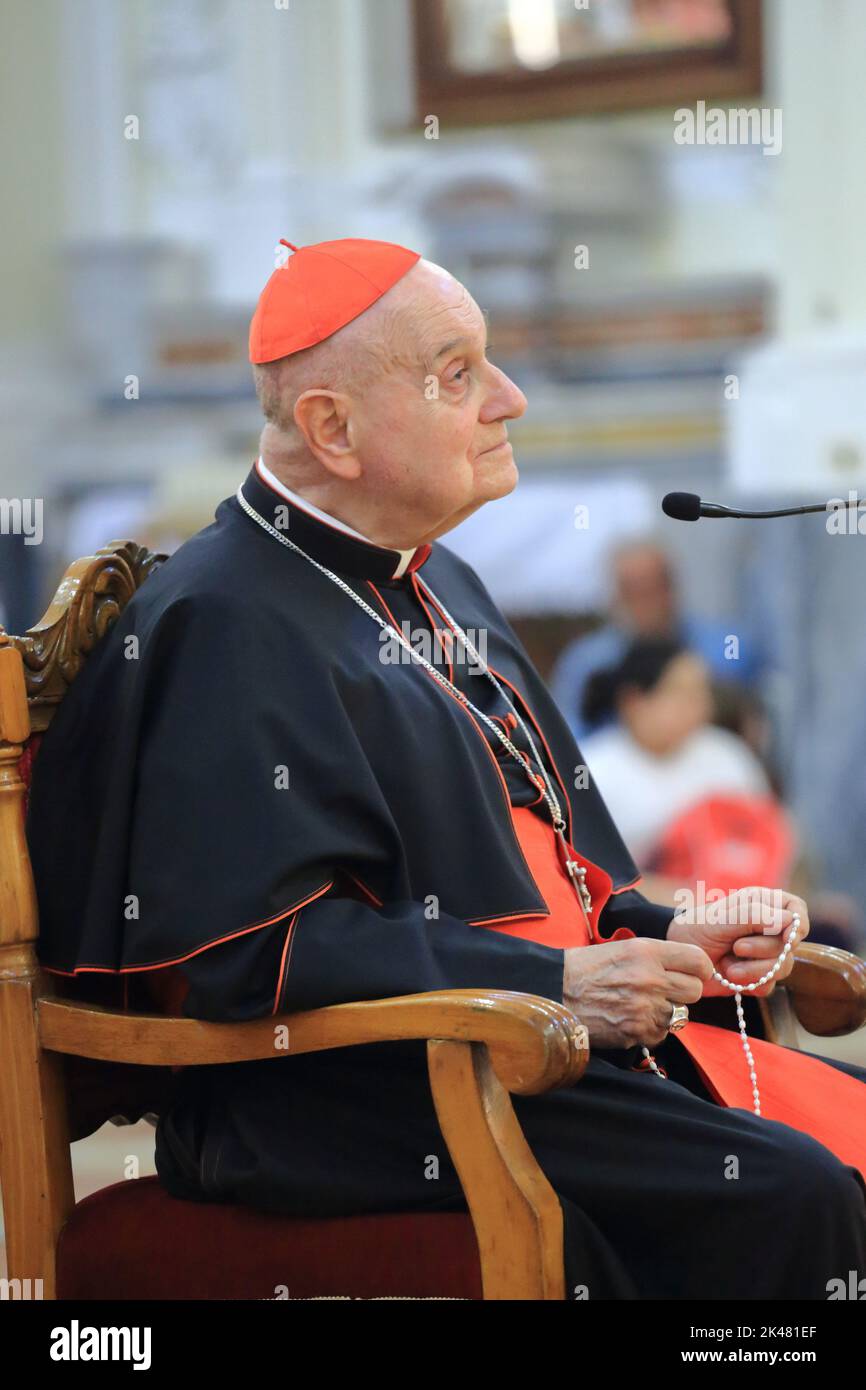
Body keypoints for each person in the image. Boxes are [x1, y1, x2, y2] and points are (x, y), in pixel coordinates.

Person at [27, 238, 866, 1300]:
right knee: (786, 1193)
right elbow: (257, 957)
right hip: (348, 1091)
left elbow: (536, 870)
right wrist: (557, 982)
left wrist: (657, 933)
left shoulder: (441, 580)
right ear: (331, 427)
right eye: (457, 373)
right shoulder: (220, 620)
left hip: (518, 1042)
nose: (508, 399)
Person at [549, 537, 764, 743]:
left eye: (652, 586)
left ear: (672, 586)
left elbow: (754, 725)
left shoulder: (726, 649)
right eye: (631, 590)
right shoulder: (586, 663)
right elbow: (569, 740)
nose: (644, 602)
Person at [580, 637, 771, 866]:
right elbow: (588, 870)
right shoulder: (591, 769)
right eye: (682, 693)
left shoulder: (728, 755)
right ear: (633, 702)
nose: (700, 706)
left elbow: (769, 839)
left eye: (703, 693)